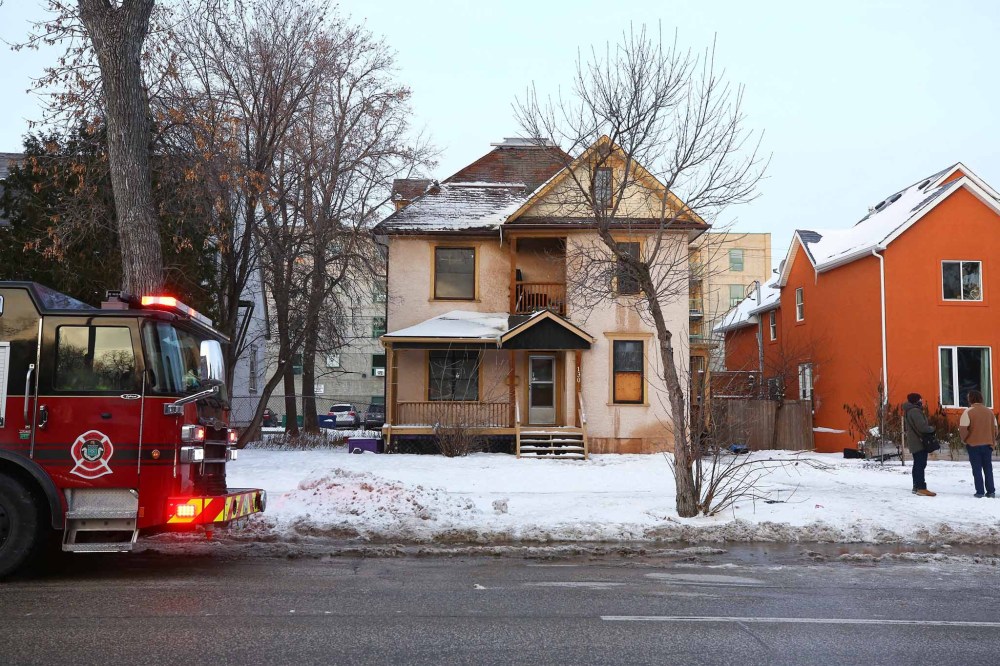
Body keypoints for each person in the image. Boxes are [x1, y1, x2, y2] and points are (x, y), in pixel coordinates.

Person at [958, 390, 997, 498]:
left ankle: (980, 491)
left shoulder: (968, 412)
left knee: (977, 469)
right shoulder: (990, 412)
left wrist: (965, 439)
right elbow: (995, 429)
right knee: (988, 469)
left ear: (970, 399)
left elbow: (963, 429)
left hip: (973, 445)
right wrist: (992, 440)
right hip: (988, 444)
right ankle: (991, 491)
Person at [903, 393, 937, 497]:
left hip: (915, 441)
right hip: (919, 442)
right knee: (920, 464)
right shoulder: (915, 411)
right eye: (920, 399)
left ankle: (916, 486)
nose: (922, 401)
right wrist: (932, 429)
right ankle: (921, 487)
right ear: (917, 400)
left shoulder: (909, 410)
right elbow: (922, 427)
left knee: (917, 464)